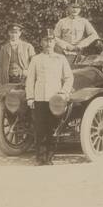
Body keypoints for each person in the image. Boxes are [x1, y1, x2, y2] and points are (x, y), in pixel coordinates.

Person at [25, 32, 73, 165]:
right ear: (41, 43)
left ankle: (50, 157)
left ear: (54, 43)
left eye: (51, 41)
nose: (48, 44)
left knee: (53, 128)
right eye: (45, 41)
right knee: (40, 128)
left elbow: (69, 78)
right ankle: (40, 157)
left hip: (55, 99)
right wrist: (30, 97)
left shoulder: (61, 58)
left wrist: (63, 93)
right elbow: (30, 80)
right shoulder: (36, 59)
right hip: (40, 98)